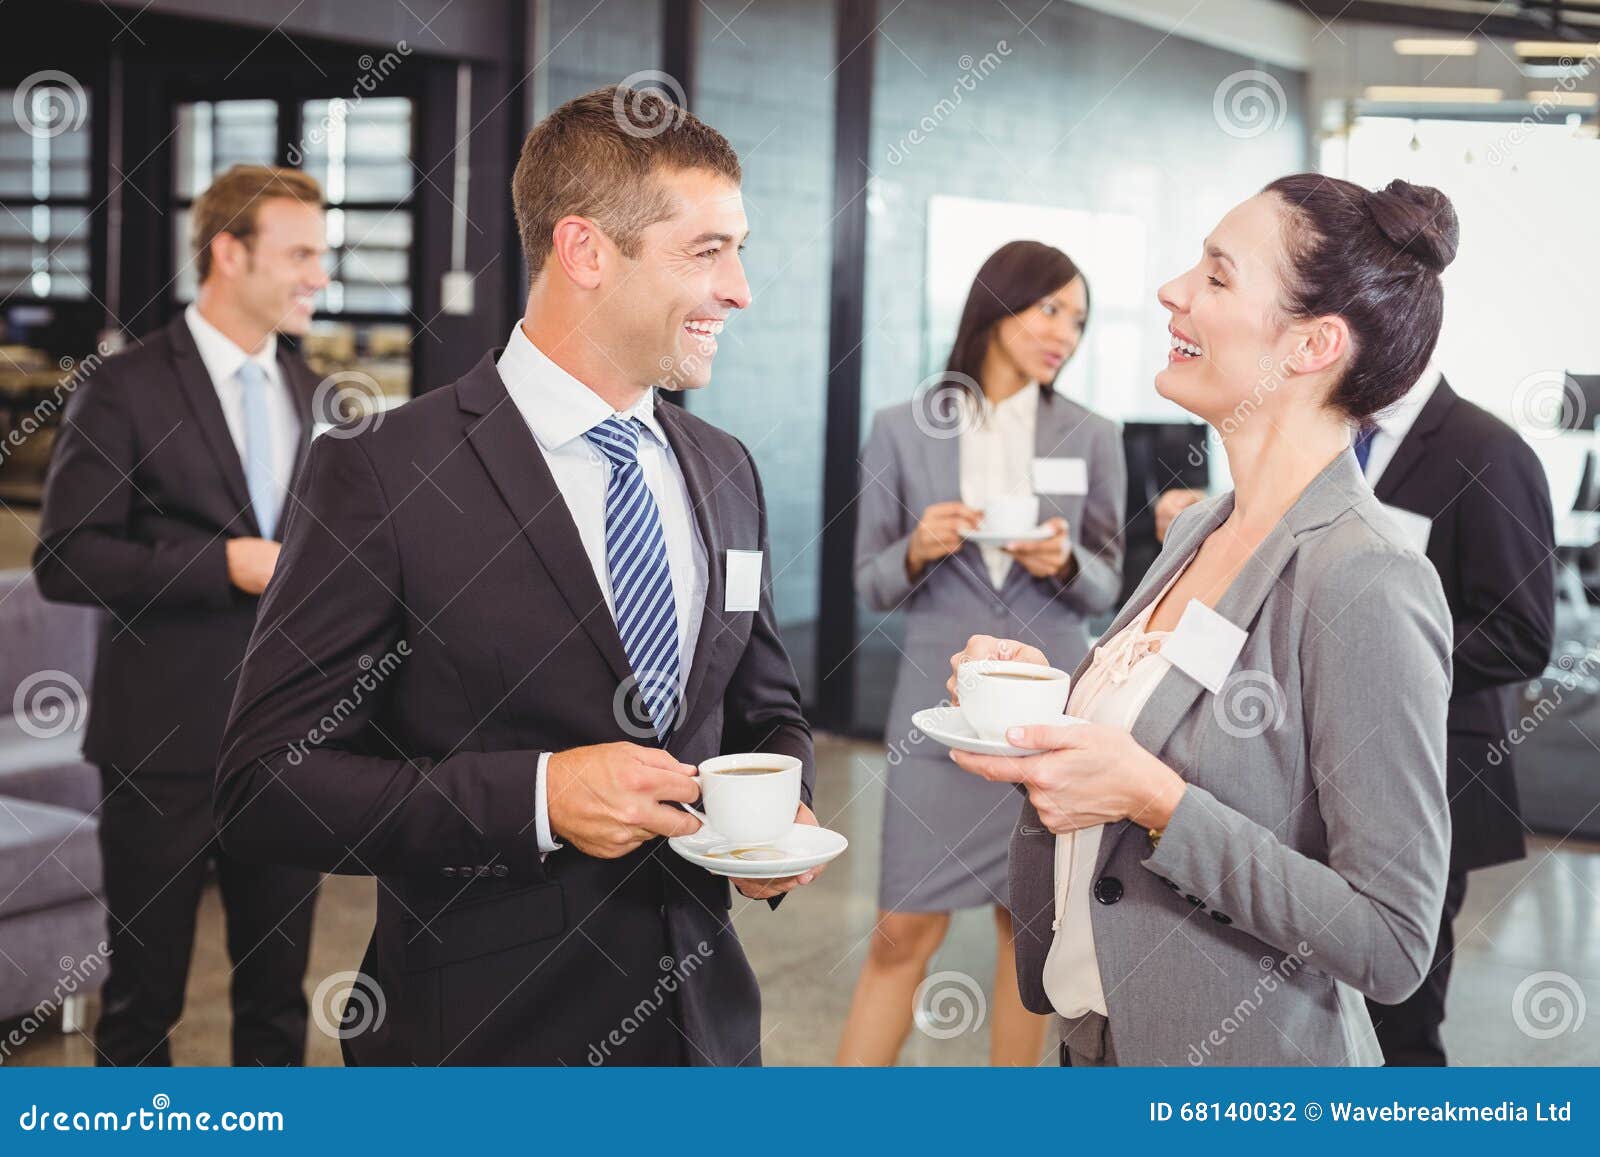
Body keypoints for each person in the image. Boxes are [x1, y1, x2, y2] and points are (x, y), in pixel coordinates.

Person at [213, 86, 816, 1067]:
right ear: (585, 251)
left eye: (738, 248)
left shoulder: (724, 467)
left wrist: (779, 810)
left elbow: (766, 708)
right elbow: (265, 784)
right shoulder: (381, 471)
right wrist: (537, 795)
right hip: (480, 1046)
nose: (741, 288)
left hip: (708, 1035)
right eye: (707, 251)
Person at [948, 175, 1459, 1065]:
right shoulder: (1201, 526)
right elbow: (1158, 732)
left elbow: (1391, 937)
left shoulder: (1365, 574)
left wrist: (1156, 801)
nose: (1172, 292)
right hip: (1100, 1047)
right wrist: (1044, 698)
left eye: (1217, 277)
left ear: (1312, 343)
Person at [33, 165, 326, 1065]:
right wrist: (224, 564)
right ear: (229, 253)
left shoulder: (311, 390)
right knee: (143, 1003)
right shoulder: (123, 386)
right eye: (302, 253)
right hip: (160, 747)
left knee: (278, 1001)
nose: (320, 275)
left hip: (289, 748)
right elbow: (66, 557)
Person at [839, 241, 1125, 1066]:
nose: (1064, 332)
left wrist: (1064, 561)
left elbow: (1106, 584)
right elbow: (871, 580)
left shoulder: (1092, 434)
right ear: (999, 305)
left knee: (1028, 943)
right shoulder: (903, 426)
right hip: (939, 713)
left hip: (1049, 716)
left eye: (1077, 319)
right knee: (900, 933)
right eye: (1049, 309)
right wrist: (920, 547)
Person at [1354, 363, 1554, 1065]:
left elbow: (1521, 635)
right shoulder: (1329, 437)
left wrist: (1375, 656)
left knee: (1400, 1023)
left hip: (1431, 775)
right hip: (1328, 770)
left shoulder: (1489, 450)